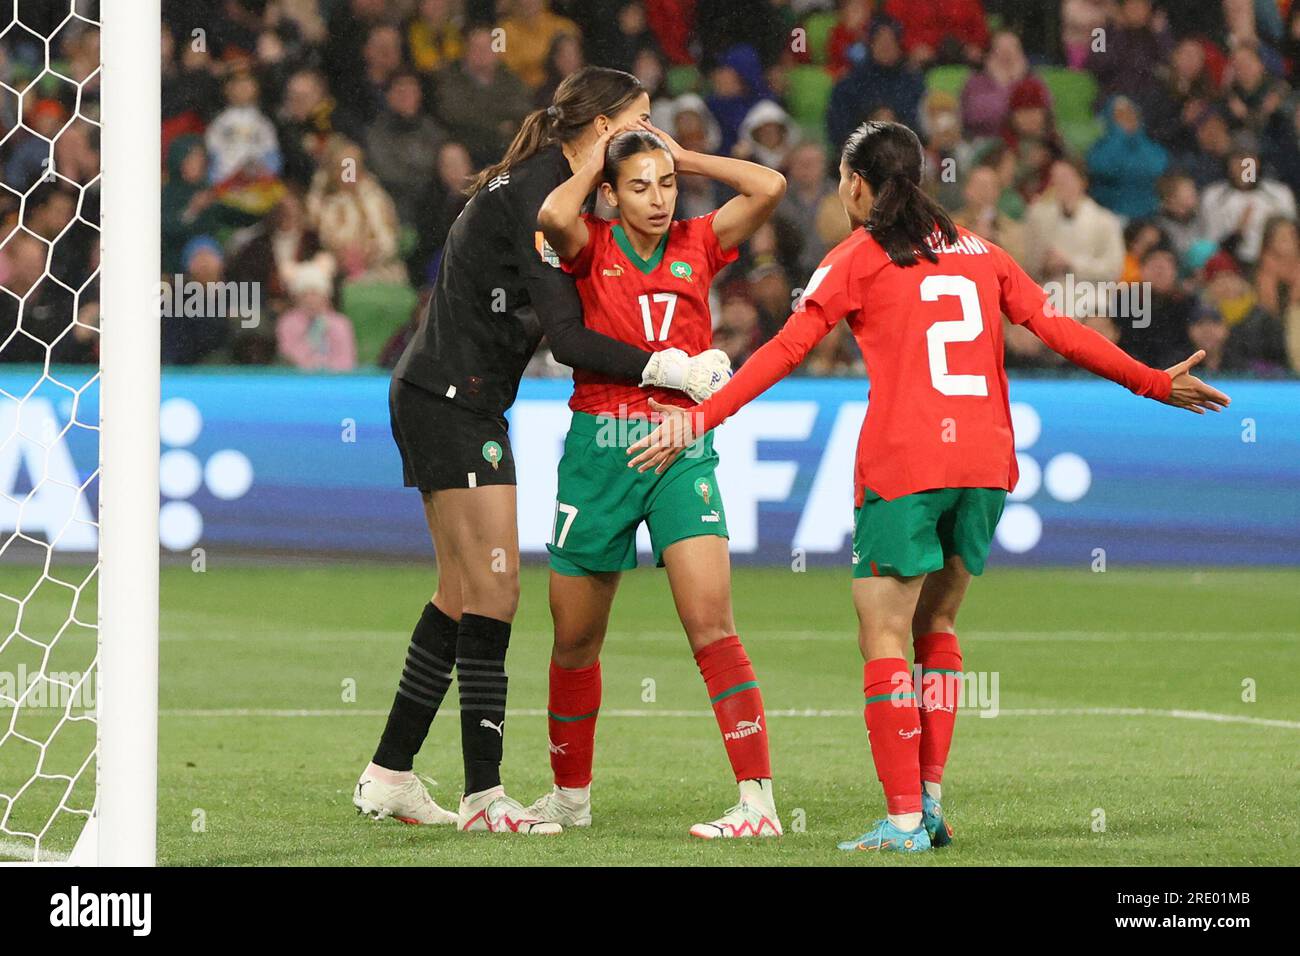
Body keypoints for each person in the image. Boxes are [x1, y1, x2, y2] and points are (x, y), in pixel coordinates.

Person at [627, 121, 1229, 852]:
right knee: (936, 628)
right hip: (985, 464)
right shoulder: (983, 252)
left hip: (907, 463)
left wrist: (700, 418)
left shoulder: (856, 257)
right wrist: (1153, 382)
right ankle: (931, 801)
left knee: (881, 631)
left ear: (855, 185)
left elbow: (783, 352)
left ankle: (904, 819)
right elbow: (1058, 330)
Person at [352, 67, 732, 836]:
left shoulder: (541, 185)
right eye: (642, 121)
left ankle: (390, 772)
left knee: (459, 594)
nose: (654, 136)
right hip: (454, 402)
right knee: (496, 594)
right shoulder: (541, 196)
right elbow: (566, 336)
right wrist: (668, 364)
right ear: (601, 128)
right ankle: (485, 797)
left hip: (439, 394)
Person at [523, 125, 786, 838]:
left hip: (679, 449)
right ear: (609, 194)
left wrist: (684, 155)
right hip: (599, 452)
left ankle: (758, 804)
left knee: (712, 626)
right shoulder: (591, 245)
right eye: (639, 186)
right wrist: (592, 165)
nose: (659, 199)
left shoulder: (700, 240)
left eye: (667, 184)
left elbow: (770, 187)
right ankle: (569, 798)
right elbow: (551, 217)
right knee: (575, 641)